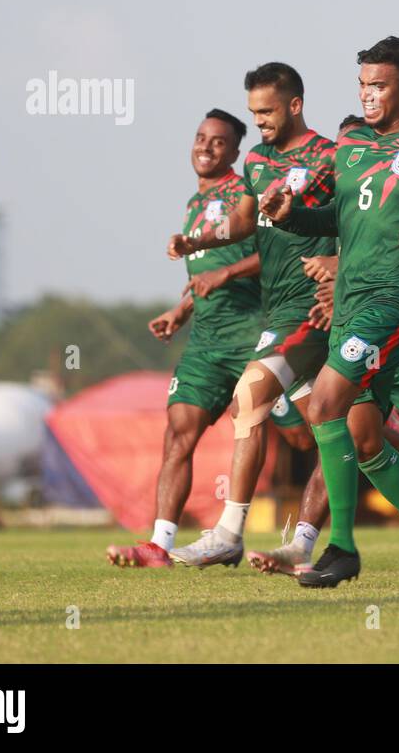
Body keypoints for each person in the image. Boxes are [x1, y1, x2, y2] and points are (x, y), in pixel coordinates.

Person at [260, 36, 399, 587]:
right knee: (361, 438)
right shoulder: (353, 147)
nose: (367, 96)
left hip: (394, 304)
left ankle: (342, 549)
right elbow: (340, 218)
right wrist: (292, 216)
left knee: (323, 405)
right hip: (350, 305)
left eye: (378, 86)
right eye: (362, 85)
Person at [106, 109, 313, 567]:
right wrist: (181, 312)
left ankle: (392, 448)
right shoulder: (193, 204)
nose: (206, 146)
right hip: (206, 342)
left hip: (256, 335)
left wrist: (227, 271)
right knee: (179, 432)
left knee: (306, 433)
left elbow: (275, 250)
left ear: (236, 152)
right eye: (201, 138)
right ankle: (159, 544)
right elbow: (202, 276)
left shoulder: (246, 192)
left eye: (218, 142)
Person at [164, 64, 336, 567]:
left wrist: (340, 270)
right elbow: (242, 221)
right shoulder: (258, 161)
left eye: (266, 112)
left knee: (249, 398)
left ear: (295, 105)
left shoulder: (330, 155)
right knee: (340, 428)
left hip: (315, 305)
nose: (259, 121)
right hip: (276, 307)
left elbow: (358, 217)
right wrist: (199, 240)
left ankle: (229, 532)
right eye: (254, 113)